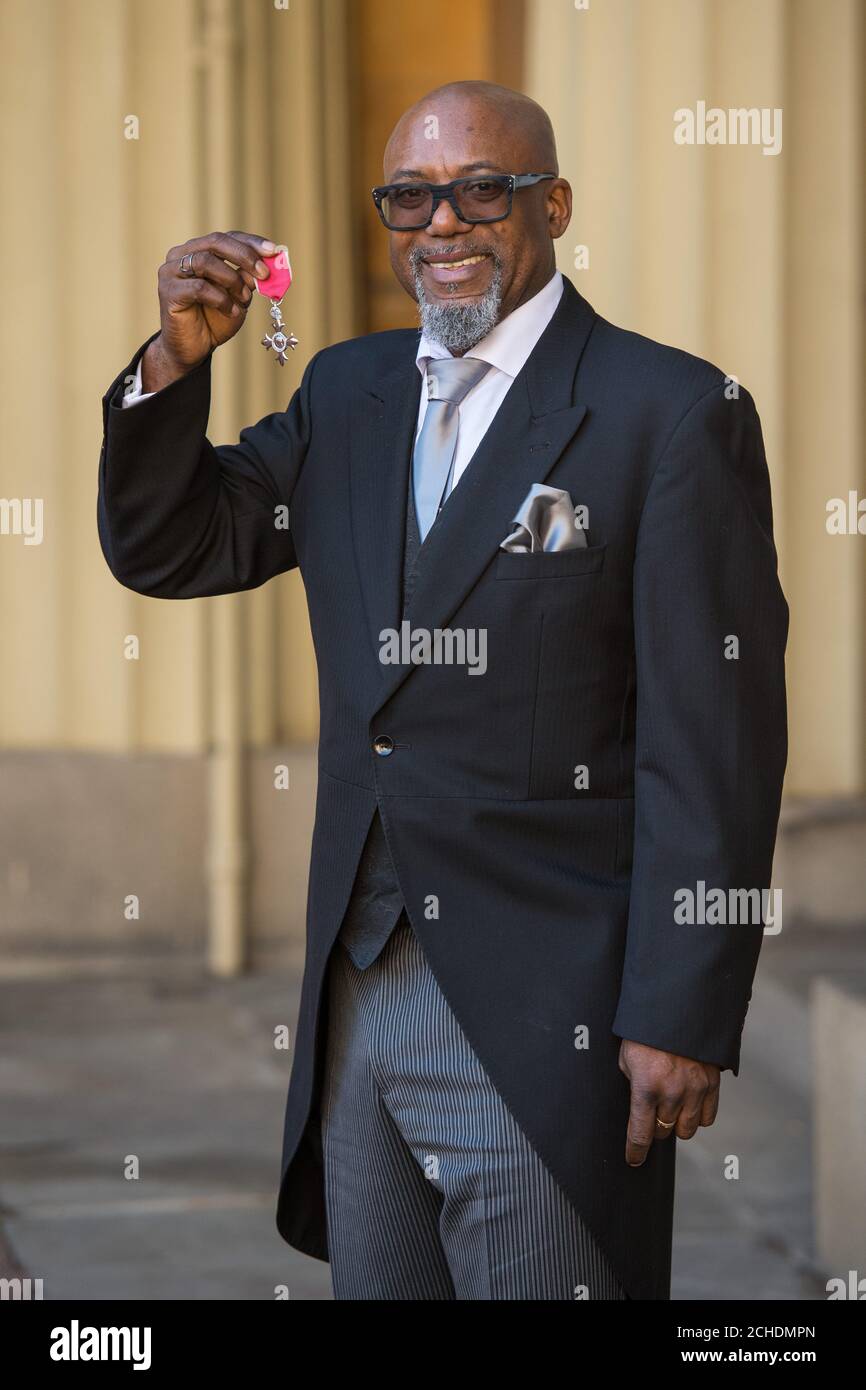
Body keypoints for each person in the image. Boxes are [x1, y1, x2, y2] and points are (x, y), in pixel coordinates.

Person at [97, 80, 788, 1300]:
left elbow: (713, 740)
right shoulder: (345, 395)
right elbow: (177, 547)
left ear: (552, 204)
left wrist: (679, 1006)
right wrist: (172, 363)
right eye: (409, 197)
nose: (443, 223)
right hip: (357, 999)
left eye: (481, 189)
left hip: (551, 1013)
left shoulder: (669, 414)